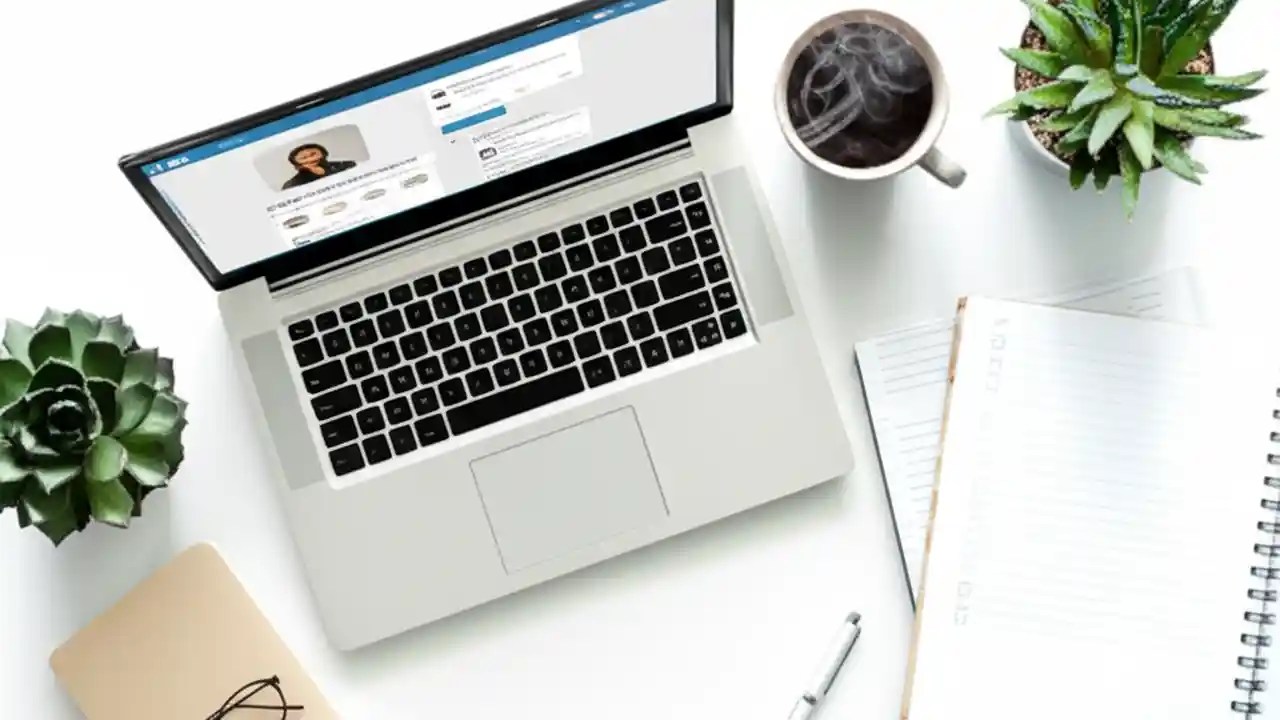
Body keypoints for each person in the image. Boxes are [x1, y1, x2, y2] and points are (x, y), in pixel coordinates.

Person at [281, 143, 357, 190]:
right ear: (296, 164)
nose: (311, 159)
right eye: (304, 158)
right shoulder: (291, 184)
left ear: (324, 154)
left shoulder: (346, 165)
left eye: (313, 154)